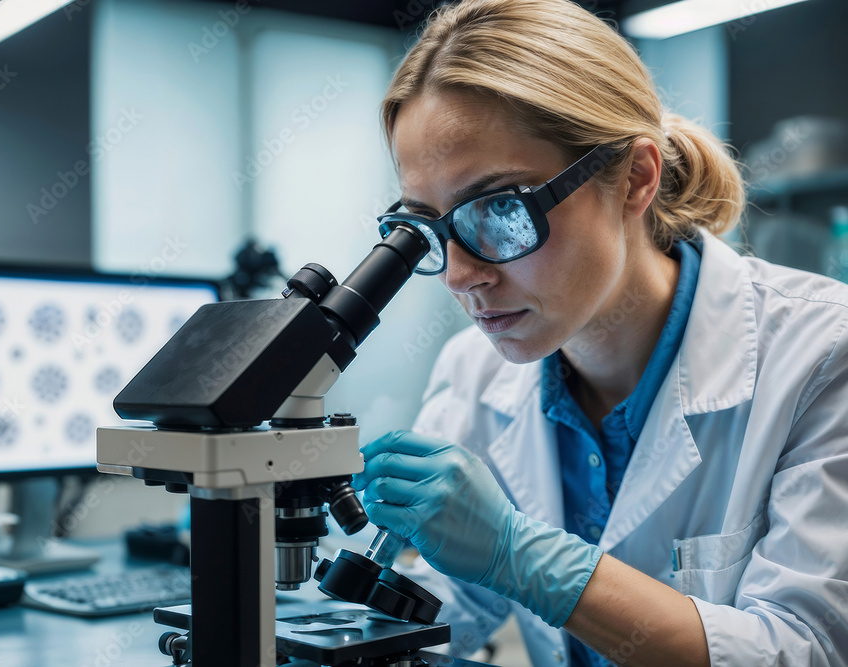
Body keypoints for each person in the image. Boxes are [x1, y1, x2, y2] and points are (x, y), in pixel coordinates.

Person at [350, 0, 848, 665]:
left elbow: (808, 646)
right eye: (426, 227)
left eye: (501, 208)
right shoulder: (474, 368)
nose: (461, 275)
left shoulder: (822, 354)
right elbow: (448, 610)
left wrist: (521, 556)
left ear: (635, 178)